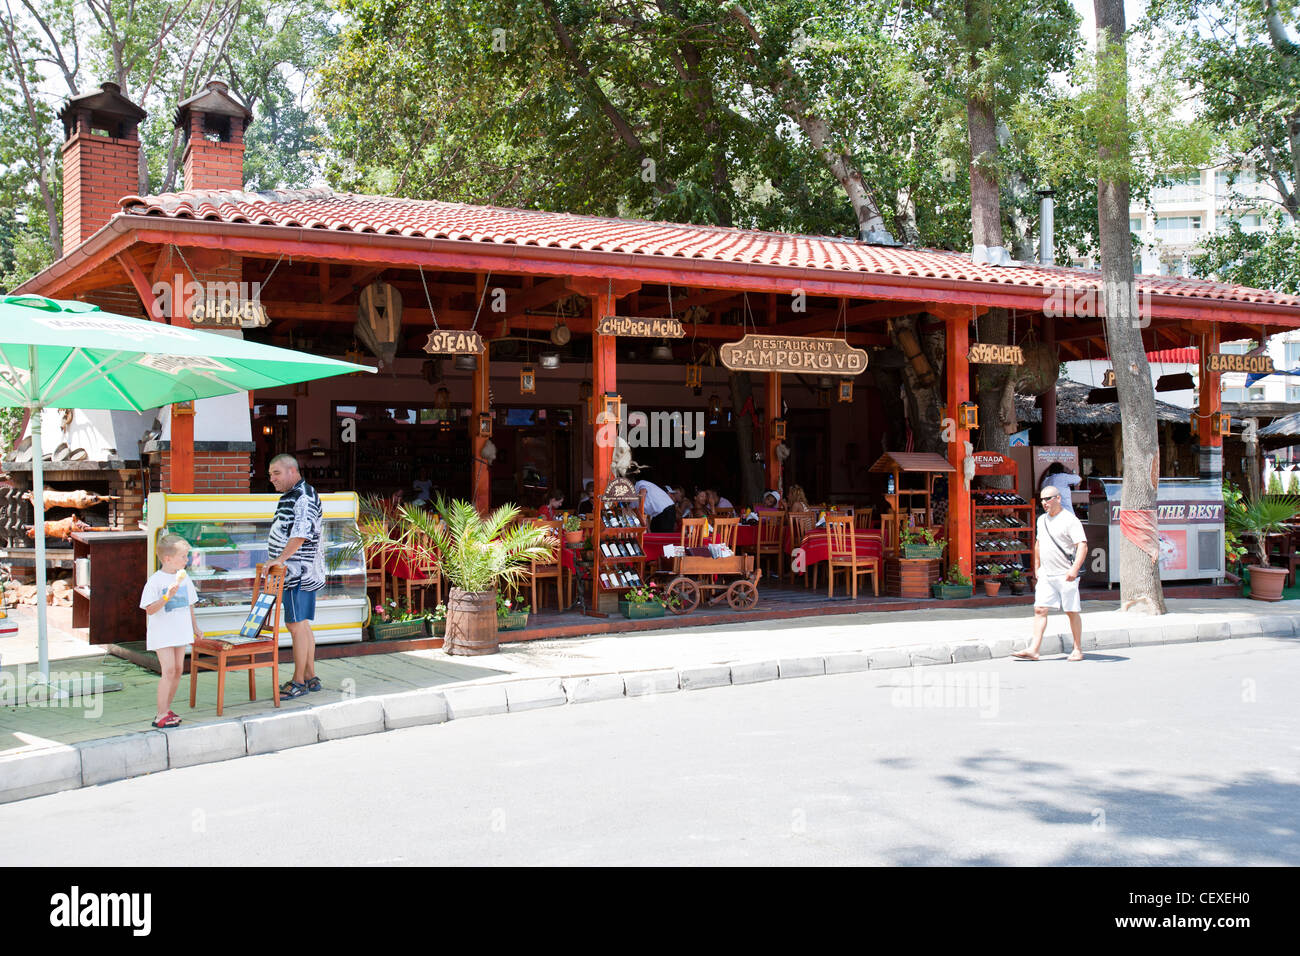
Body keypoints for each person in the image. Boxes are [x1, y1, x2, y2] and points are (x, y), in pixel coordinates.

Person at [267, 453, 326, 697]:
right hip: (299, 571)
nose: (272, 479)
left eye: (276, 473)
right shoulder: (296, 494)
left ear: (293, 471)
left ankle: (298, 681)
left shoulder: (303, 497)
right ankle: (310, 676)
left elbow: (300, 534)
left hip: (297, 572)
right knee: (301, 625)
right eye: (270, 474)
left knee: (295, 625)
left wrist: (280, 559)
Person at [1014, 485, 1089, 661]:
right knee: (1040, 609)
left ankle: (1077, 648)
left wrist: (1074, 569)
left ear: (1058, 498)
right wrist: (1037, 567)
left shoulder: (1070, 520)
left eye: (1048, 498)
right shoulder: (1042, 520)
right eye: (1042, 499)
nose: (1044, 502)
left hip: (1065, 573)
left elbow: (1082, 545)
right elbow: (1038, 544)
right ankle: (1034, 648)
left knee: (1071, 611)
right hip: (1047, 573)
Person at [139, 534, 203, 728]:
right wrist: (167, 597)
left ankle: (167, 708)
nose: (187, 560)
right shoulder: (155, 581)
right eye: (183, 557)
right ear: (167, 559)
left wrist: (195, 627)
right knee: (167, 670)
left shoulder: (184, 577)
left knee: (177, 670)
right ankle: (160, 714)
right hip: (163, 632)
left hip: (180, 630)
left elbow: (190, 604)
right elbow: (149, 609)